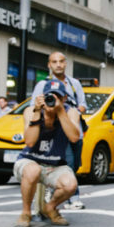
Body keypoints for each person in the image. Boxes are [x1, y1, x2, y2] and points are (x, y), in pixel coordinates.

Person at [13, 79, 82, 227]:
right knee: (33, 171)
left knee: (71, 185)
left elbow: (75, 138)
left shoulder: (70, 112)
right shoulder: (31, 111)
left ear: (64, 98)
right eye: (50, 96)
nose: (53, 100)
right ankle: (25, 213)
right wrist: (38, 113)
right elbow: (30, 142)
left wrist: (60, 111)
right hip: (30, 161)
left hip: (55, 165)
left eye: (58, 97)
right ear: (43, 97)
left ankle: (50, 207)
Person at [32, 52, 87, 210]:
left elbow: (83, 104)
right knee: (66, 162)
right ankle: (73, 197)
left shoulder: (74, 84)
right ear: (49, 65)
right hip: (54, 131)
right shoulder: (42, 85)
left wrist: (71, 111)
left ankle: (61, 189)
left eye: (61, 61)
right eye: (54, 62)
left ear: (66, 63)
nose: (58, 64)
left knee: (74, 164)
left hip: (74, 128)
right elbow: (34, 106)